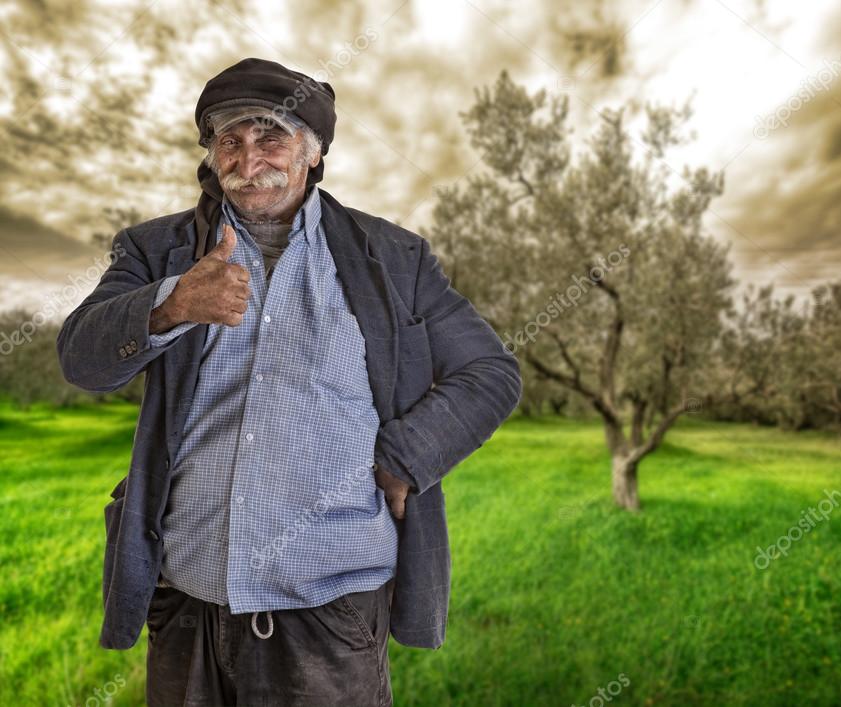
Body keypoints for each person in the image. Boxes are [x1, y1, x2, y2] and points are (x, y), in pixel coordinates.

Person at [56, 57, 522, 706]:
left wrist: (403, 459)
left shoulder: (394, 258)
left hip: (331, 621)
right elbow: (80, 356)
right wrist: (172, 303)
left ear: (314, 150)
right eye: (230, 141)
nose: (248, 159)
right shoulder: (157, 252)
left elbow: (491, 372)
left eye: (269, 136)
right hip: (187, 613)